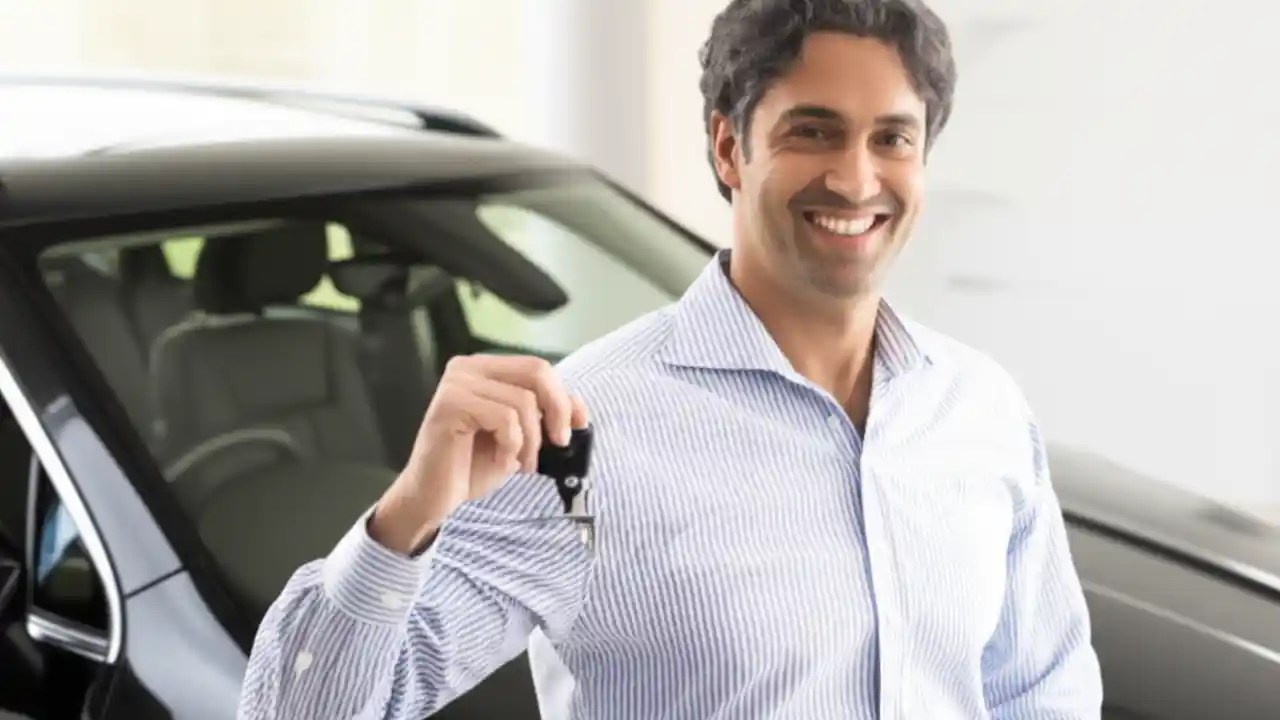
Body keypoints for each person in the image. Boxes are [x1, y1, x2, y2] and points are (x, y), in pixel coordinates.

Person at [237, 0, 1104, 717]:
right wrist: (407, 516)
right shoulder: (581, 432)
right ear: (729, 148)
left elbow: (1039, 691)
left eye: (892, 139)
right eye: (813, 132)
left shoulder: (980, 409)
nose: (855, 178)